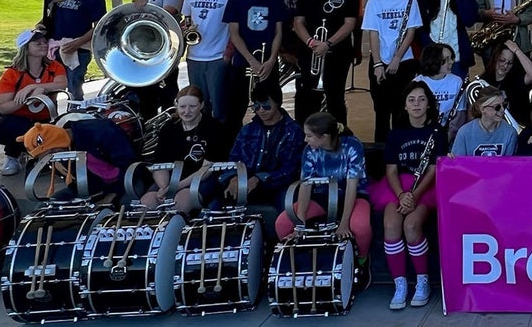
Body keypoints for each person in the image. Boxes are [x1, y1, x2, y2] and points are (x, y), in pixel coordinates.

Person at [368, 81, 446, 310]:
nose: (417, 104)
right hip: (398, 186)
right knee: (391, 225)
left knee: (412, 226)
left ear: (429, 103)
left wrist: (413, 195)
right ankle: (399, 283)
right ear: (404, 104)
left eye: (422, 99)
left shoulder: (437, 132)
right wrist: (402, 194)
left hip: (426, 186)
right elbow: (391, 169)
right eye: (411, 99)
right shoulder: (396, 133)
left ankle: (422, 281)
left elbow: (433, 169)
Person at [276, 113, 372, 261]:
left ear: (324, 137)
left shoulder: (352, 145)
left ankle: (362, 258)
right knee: (283, 223)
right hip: (322, 196)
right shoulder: (309, 150)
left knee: (360, 227)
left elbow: (352, 187)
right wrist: (299, 223)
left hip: (354, 196)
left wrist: (344, 223)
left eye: (309, 136)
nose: (305, 140)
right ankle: (300, 259)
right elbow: (305, 186)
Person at [208, 80, 304, 213]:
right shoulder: (247, 130)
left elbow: (291, 168)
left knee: (287, 211)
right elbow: (234, 158)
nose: (261, 111)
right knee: (214, 207)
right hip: (245, 183)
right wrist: (233, 177)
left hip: (278, 185)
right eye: (256, 107)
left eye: (266, 106)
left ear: (277, 103)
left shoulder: (294, 131)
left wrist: (259, 178)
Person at [292, 0, 361, 125]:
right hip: (310, 51)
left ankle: (339, 138)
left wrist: (328, 44)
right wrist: (311, 42)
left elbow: (350, 23)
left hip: (338, 52)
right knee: (308, 99)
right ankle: (308, 138)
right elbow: (298, 22)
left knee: (335, 98)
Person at [222, 0, 287, 137]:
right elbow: (234, 34)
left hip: (268, 64)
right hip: (243, 63)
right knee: (235, 108)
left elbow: (278, 33)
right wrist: (252, 61)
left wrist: (272, 60)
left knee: (272, 106)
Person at [141, 85, 229, 214]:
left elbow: (207, 168)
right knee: (146, 203)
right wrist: (164, 187)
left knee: (178, 206)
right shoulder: (169, 127)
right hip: (169, 180)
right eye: (182, 107)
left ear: (202, 105)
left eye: (192, 106)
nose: (187, 111)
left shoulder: (213, 127)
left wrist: (176, 187)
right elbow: (160, 164)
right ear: (176, 105)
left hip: (201, 178)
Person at [0, 29, 67, 175]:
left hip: (44, 118)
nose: (44, 45)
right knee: (16, 125)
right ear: (25, 48)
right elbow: (4, 108)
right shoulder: (12, 73)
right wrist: (28, 98)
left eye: (45, 42)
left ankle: (38, 157)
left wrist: (33, 86)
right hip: (14, 120)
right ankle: (13, 155)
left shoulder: (54, 67)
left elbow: (61, 85)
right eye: (37, 43)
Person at [364, 0, 422, 141]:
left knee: (400, 111)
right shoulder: (375, 1)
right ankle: (381, 155)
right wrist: (378, 63)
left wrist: (397, 58)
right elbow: (373, 34)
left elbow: (410, 32)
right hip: (380, 61)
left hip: (404, 61)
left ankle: (400, 152)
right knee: (381, 111)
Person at [121, 0, 185, 109]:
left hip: (164, 48)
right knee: (145, 92)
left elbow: (167, 14)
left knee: (165, 91)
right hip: (145, 44)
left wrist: (146, 5)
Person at [181, 0, 239, 125]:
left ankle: (222, 145)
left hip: (218, 57)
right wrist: (186, 29)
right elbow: (187, 19)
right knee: (200, 104)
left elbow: (235, 27)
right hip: (194, 57)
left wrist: (228, 54)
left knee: (221, 106)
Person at [20, 118, 137, 202]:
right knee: (49, 207)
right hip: (88, 187)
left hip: (126, 181)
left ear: (57, 142)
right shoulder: (59, 150)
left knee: (126, 205)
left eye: (52, 153)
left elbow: (130, 165)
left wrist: (113, 194)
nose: (53, 157)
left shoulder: (101, 130)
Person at [43, 0, 106, 100]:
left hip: (79, 50)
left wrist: (77, 43)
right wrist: (41, 25)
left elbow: (98, 27)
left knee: (74, 87)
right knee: (51, 86)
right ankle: (51, 118)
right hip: (54, 46)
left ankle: (75, 118)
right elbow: (48, 16)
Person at [417, 0, 480, 78]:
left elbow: (469, 20)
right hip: (433, 55)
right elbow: (419, 26)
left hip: (456, 55)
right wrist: (429, 46)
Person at [481, 39, 532, 126]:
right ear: (495, 59)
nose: (505, 66)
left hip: (517, 125)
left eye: (510, 63)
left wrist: (517, 50)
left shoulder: (515, 78)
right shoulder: (484, 80)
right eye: (502, 60)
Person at [450, 86, 518, 156]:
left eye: (504, 105)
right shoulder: (464, 132)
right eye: (497, 107)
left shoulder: (510, 133)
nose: (502, 110)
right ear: (482, 109)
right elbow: (458, 163)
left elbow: (510, 164)